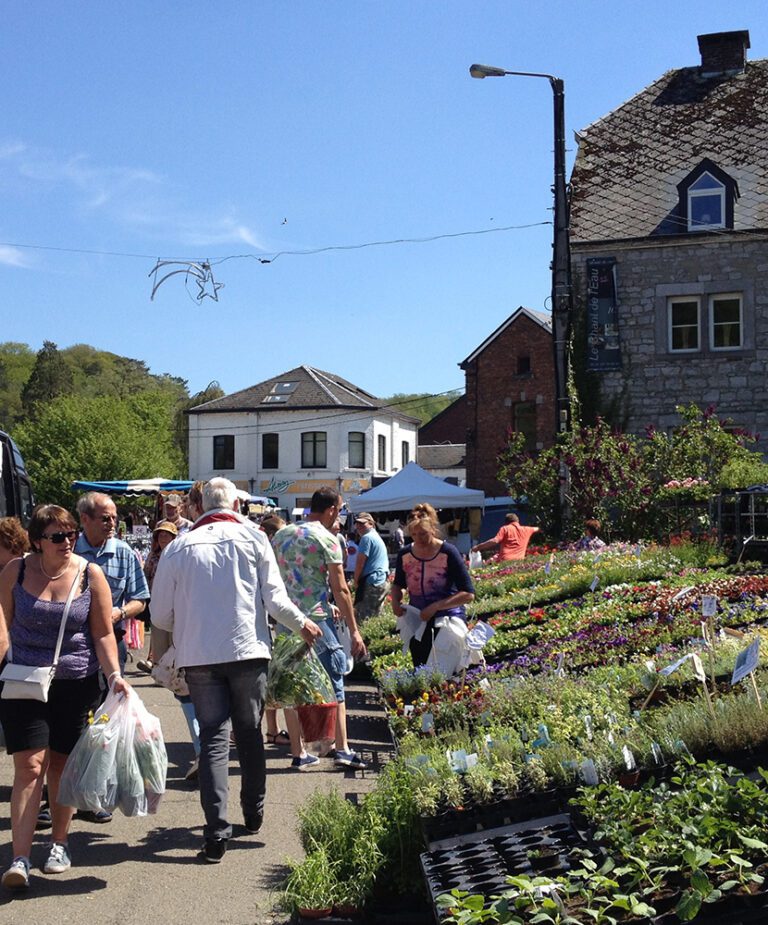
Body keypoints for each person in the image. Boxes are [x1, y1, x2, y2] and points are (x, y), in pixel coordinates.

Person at [150, 477, 322, 863]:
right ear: (238, 505)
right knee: (248, 731)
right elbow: (274, 600)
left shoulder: (178, 547)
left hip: (199, 656)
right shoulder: (254, 539)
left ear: (199, 507)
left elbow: (159, 615)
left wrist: (188, 622)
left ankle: (216, 833)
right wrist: (302, 624)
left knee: (213, 738)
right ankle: (253, 809)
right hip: (248, 652)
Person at [0, 504, 129, 889]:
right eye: (58, 536)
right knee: (29, 766)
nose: (68, 541)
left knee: (61, 765)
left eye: (71, 534)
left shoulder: (90, 574)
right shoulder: (15, 571)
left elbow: (103, 633)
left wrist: (115, 675)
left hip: (76, 683)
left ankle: (59, 843)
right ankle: (20, 858)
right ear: (38, 541)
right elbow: (2, 624)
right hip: (24, 681)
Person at [274, 487, 367, 771]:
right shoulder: (327, 538)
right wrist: (354, 630)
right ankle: (342, 748)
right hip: (317, 620)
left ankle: (298, 752)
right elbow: (341, 588)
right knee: (334, 678)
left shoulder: (281, 535)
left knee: (292, 685)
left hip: (286, 619)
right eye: (339, 510)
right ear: (331, 510)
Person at [74, 492, 150, 678]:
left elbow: (140, 599)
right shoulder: (69, 550)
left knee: (113, 693)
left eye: (115, 518)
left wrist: (120, 613)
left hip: (112, 638)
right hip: (73, 642)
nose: (112, 524)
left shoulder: (124, 553)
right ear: (85, 519)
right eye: (105, 518)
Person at [392, 503, 475, 667]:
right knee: (421, 665)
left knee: (445, 666)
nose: (419, 539)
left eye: (423, 534)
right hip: (418, 619)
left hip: (447, 619)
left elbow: (468, 594)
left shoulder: (448, 552)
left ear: (433, 529)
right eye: (414, 534)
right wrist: (395, 601)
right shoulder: (405, 554)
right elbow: (398, 584)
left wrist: (436, 606)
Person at [136, 520, 179, 674]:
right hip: (156, 600)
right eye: (160, 535)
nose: (163, 538)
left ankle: (174, 672)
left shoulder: (179, 555)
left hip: (176, 602)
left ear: (173, 537)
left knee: (174, 638)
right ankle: (160, 671)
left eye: (167, 535)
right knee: (158, 636)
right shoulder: (153, 556)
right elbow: (146, 576)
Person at [353, 512, 390, 622]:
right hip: (380, 579)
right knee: (376, 617)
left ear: (371, 524)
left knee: (364, 618)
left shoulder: (366, 538)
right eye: (357, 524)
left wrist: (355, 580)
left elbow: (360, 562)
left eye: (362, 523)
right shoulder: (376, 537)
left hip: (371, 581)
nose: (358, 526)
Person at [471, 513, 540, 562]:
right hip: (519, 561)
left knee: (489, 562)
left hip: (505, 561)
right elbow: (538, 528)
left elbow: (495, 541)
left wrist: (478, 547)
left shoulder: (505, 529)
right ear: (518, 521)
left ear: (506, 522)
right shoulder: (527, 529)